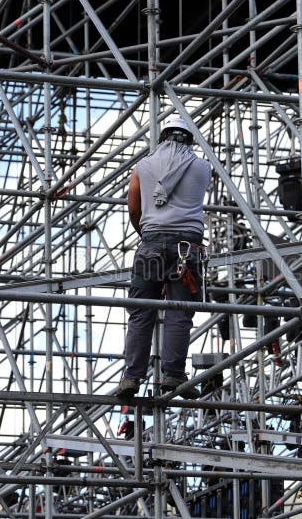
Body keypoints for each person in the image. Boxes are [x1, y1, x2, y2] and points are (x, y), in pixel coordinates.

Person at [114, 117, 211, 399]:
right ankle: (173, 375)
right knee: (179, 312)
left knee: (141, 312)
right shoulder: (203, 167)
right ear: (190, 140)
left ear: (163, 137)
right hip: (186, 250)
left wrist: (147, 234)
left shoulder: (142, 167)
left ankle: (131, 377)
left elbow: (134, 207)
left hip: (151, 245)